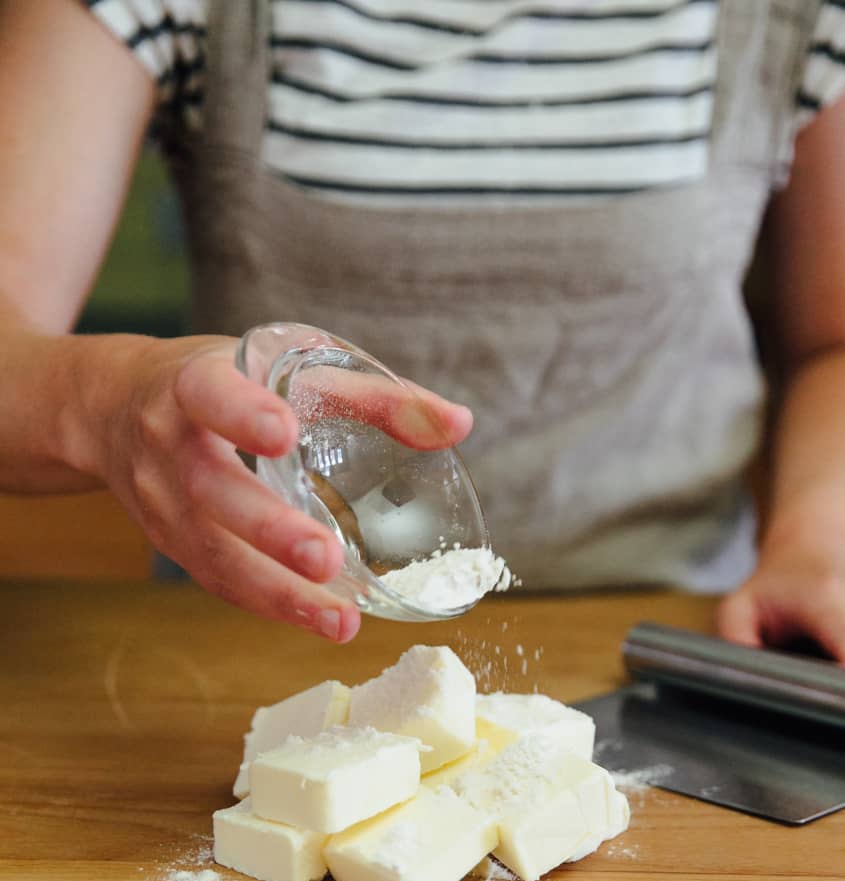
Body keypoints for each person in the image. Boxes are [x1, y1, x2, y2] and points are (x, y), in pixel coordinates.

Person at [1, 0, 844, 659]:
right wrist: (109, 399)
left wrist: (814, 534)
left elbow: (833, 337)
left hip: (668, 639)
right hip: (242, 648)